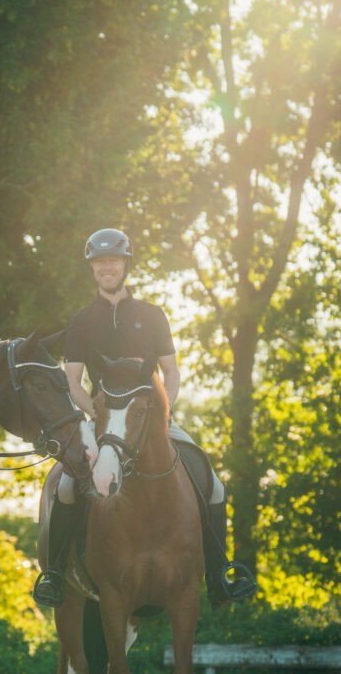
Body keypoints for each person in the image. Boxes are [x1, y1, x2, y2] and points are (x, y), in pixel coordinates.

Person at [32, 227, 257, 611]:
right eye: (100, 262)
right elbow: (72, 381)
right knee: (65, 486)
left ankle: (220, 575)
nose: (107, 268)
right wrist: (98, 417)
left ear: (125, 265)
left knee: (214, 484)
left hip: (152, 418)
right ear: (92, 268)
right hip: (103, 420)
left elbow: (172, 372)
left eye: (113, 261)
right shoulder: (81, 321)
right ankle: (54, 575)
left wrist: (162, 414)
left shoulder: (153, 315)